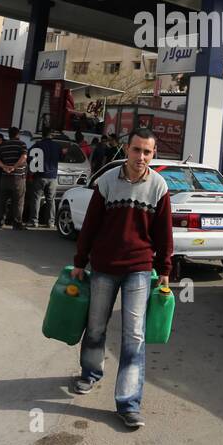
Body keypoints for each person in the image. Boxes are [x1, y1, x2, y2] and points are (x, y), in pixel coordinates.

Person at [70, 127, 173, 429]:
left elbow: (163, 235)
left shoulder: (159, 187)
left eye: (147, 152)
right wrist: (80, 261)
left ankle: (128, 403)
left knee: (134, 336)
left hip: (139, 270)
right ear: (126, 150)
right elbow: (90, 226)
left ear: (153, 155)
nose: (141, 156)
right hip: (103, 266)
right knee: (96, 325)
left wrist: (164, 271)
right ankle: (90, 374)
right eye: (136, 150)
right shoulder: (106, 182)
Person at [25, 128, 62, 228]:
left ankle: (34, 221)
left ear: (43, 135)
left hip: (40, 176)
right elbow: (61, 156)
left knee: (36, 199)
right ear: (51, 135)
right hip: (53, 177)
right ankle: (51, 222)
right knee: (51, 200)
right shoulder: (57, 146)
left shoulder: (37, 145)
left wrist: (33, 167)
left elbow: (29, 157)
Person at [0, 128, 28, 229]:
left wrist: (4, 166)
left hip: (5, 177)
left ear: (9, 135)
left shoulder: (3, 145)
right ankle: (17, 223)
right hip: (18, 178)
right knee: (18, 201)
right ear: (17, 134)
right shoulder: (22, 144)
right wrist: (15, 166)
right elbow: (24, 157)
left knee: (2, 200)